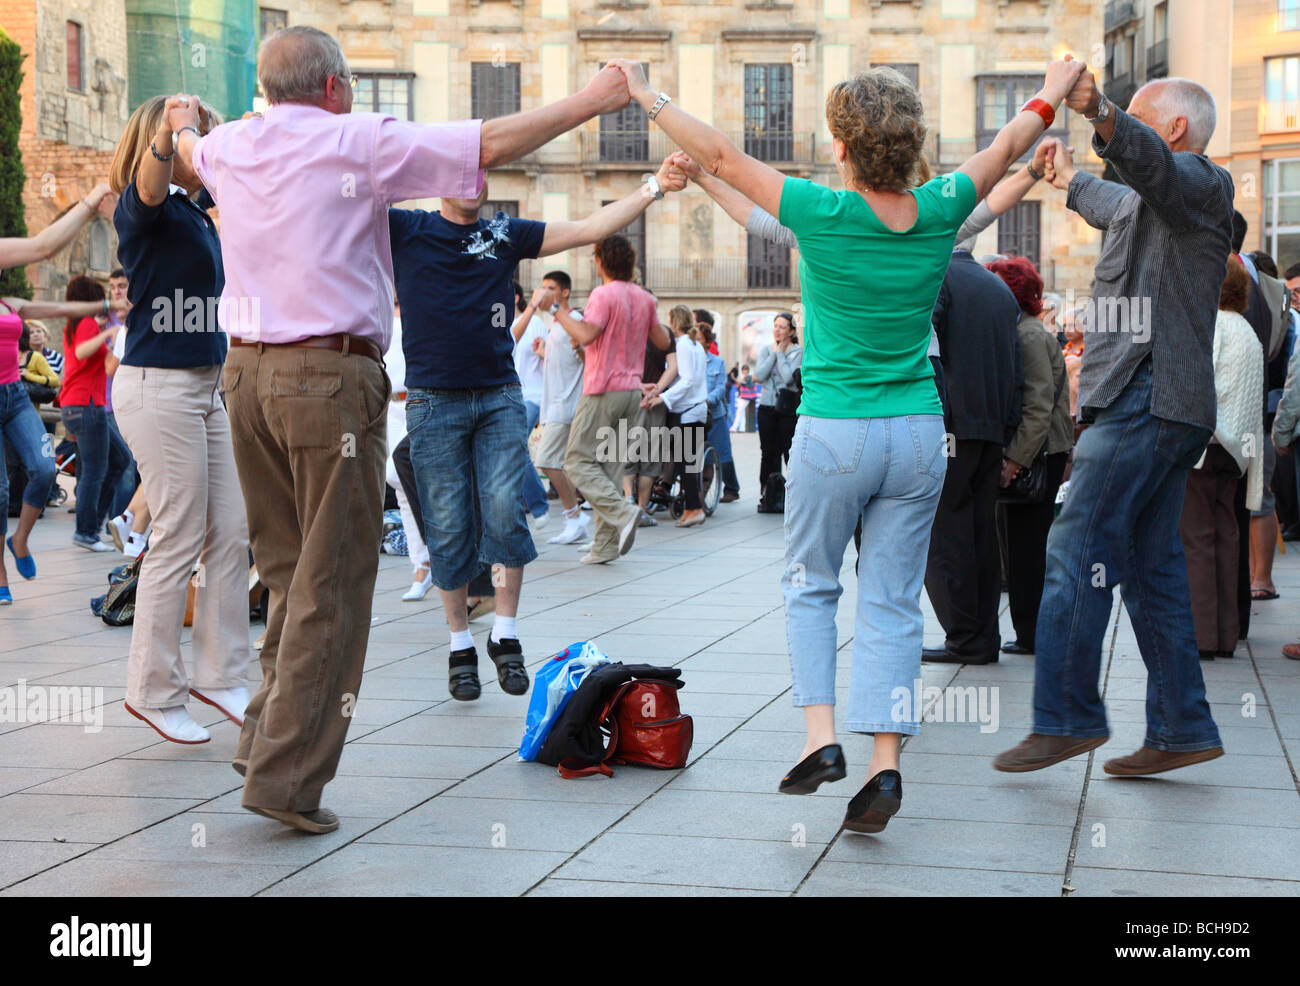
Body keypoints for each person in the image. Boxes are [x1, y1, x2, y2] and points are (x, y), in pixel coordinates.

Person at [166, 25, 634, 833]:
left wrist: (179, 122)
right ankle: (285, 781)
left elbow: (185, 151)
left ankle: (261, 743)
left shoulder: (230, 147)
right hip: (328, 377)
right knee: (334, 583)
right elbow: (492, 140)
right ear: (335, 88)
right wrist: (594, 99)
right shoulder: (356, 140)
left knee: (284, 571)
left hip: (243, 378)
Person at [606, 54, 1085, 832]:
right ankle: (885, 765)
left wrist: (645, 95)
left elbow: (731, 159)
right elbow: (1003, 150)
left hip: (835, 430)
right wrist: (1053, 92)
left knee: (812, 585)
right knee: (894, 600)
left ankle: (820, 739)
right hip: (919, 433)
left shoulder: (822, 215)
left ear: (841, 145)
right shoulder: (938, 210)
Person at [994, 73, 1232, 776]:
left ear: (1177, 129)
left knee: (1073, 548)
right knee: (1151, 571)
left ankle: (1066, 716)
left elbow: (1148, 165)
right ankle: (1182, 728)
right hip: (1159, 405)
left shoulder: (1202, 185)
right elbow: (1111, 199)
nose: (1123, 128)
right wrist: (1064, 176)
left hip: (1143, 396)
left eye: (1136, 117)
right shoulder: (1145, 205)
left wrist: (1098, 109)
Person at [394, 160, 684, 700]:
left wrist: (652, 187)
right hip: (433, 400)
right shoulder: (408, 229)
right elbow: (331, 208)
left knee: (505, 511)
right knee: (449, 525)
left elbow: (588, 229)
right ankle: (459, 643)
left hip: (499, 396)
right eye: (461, 169)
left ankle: (505, 635)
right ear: (438, 183)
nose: (474, 180)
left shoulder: (505, 234)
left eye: (481, 170)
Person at [107, 93, 250, 745]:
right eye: (199, 137)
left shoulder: (194, 214)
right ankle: (152, 691)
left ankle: (220, 675)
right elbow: (151, 177)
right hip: (157, 385)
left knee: (232, 529)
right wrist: (174, 132)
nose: (205, 146)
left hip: (204, 384)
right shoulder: (146, 210)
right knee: (179, 532)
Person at [922, 227, 1023, 665]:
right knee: (982, 533)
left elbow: (929, 356)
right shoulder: (999, 288)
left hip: (951, 426)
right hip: (991, 428)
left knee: (947, 534)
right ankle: (983, 636)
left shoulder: (937, 278)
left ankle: (964, 636)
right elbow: (1014, 366)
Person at [554, 233, 671, 564]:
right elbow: (661, 340)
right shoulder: (644, 298)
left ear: (600, 261)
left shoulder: (602, 294)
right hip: (632, 392)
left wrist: (557, 311)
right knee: (609, 466)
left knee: (576, 461)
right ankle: (604, 546)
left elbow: (586, 334)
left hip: (602, 388)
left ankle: (622, 511)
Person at [987, 256, 1073, 656]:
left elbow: (1038, 405)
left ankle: (1032, 633)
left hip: (1039, 454)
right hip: (1043, 450)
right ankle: (1030, 631)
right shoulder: (1028, 331)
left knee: (1026, 549)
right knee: (1023, 546)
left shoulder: (1029, 336)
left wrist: (1015, 460)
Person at [1180, 257, 1263, 661]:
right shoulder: (1248, 331)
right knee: (1226, 537)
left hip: (1204, 444)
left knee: (1196, 537)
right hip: (1236, 452)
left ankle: (1200, 636)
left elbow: (1199, 386)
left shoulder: (1211, 326)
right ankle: (1225, 634)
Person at [59, 275, 133, 553]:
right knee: (94, 471)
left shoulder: (78, 324)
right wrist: (107, 333)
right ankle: (86, 532)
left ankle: (93, 525)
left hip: (83, 404)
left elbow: (106, 366)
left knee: (119, 460)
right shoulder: (87, 323)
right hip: (86, 405)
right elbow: (81, 352)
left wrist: (117, 337)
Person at [532, 271, 591, 545]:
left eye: (551, 287)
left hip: (566, 405)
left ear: (564, 292)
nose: (545, 292)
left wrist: (580, 350)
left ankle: (575, 516)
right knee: (568, 464)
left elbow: (587, 357)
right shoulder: (556, 325)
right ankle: (578, 518)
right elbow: (566, 360)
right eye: (543, 287)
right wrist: (544, 352)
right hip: (554, 403)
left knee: (547, 461)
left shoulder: (574, 320)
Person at [641, 305, 709, 528]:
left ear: (673, 322)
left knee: (684, 463)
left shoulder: (682, 346)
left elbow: (687, 379)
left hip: (688, 410)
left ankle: (694, 508)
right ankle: (692, 507)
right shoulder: (695, 345)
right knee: (686, 463)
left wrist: (664, 398)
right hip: (695, 409)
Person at [510, 282, 551, 530]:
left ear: (515, 297)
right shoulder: (498, 321)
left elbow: (548, 360)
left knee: (515, 446)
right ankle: (520, 506)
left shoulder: (534, 323)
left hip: (532, 395)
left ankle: (538, 505)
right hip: (508, 395)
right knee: (508, 450)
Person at [753, 312, 802, 509]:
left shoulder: (797, 352)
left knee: (788, 452)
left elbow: (789, 378)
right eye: (775, 326)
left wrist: (781, 354)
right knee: (767, 453)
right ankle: (768, 493)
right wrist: (774, 352)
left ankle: (793, 495)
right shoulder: (766, 349)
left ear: (791, 330)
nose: (778, 330)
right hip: (766, 407)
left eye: (782, 327)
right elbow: (760, 375)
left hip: (787, 408)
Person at [697, 321, 740, 502]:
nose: (695, 342)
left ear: (708, 342)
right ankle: (700, 492)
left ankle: (731, 488)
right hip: (695, 415)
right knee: (700, 457)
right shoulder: (687, 360)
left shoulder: (717, 362)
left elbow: (721, 388)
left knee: (723, 453)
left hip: (714, 414)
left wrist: (708, 400)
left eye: (698, 338)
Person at [18, 323, 59, 409]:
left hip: (31, 411)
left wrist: (29, 376)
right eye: (31, 332)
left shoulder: (36, 357)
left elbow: (56, 381)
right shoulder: (6, 356)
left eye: (38, 331)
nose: (35, 334)